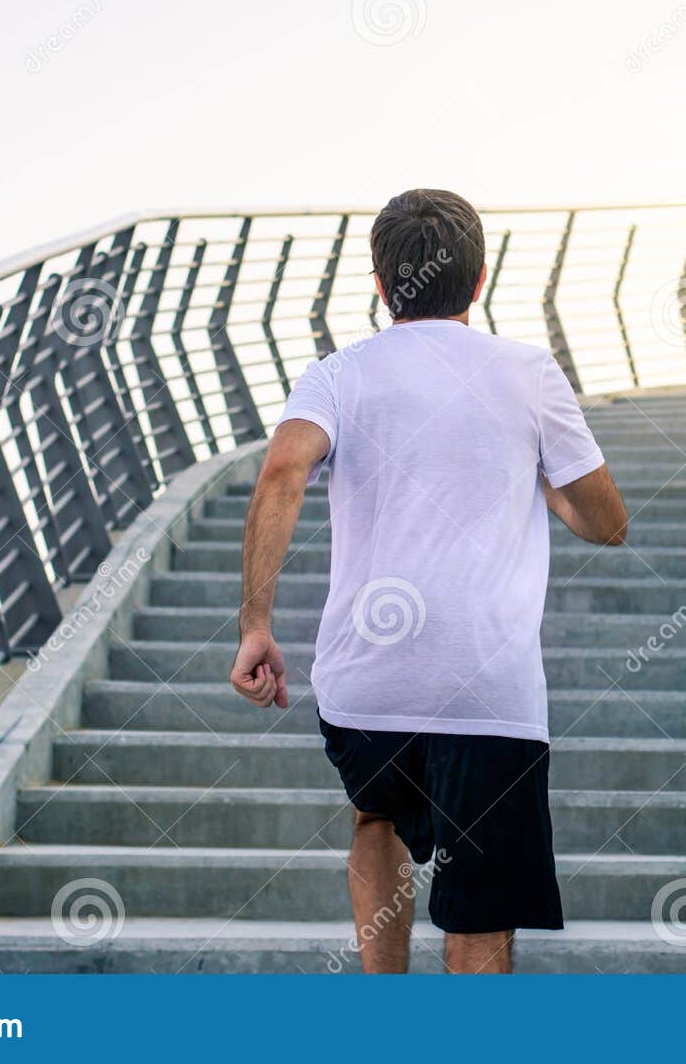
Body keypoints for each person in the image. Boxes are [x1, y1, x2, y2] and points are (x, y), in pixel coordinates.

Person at [230, 189, 628, 974]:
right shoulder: (528, 372)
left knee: (375, 817)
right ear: (479, 279)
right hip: (490, 688)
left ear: (381, 284)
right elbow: (606, 520)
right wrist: (544, 484)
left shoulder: (337, 375)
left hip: (366, 680)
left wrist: (256, 622)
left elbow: (282, 471)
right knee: (479, 910)